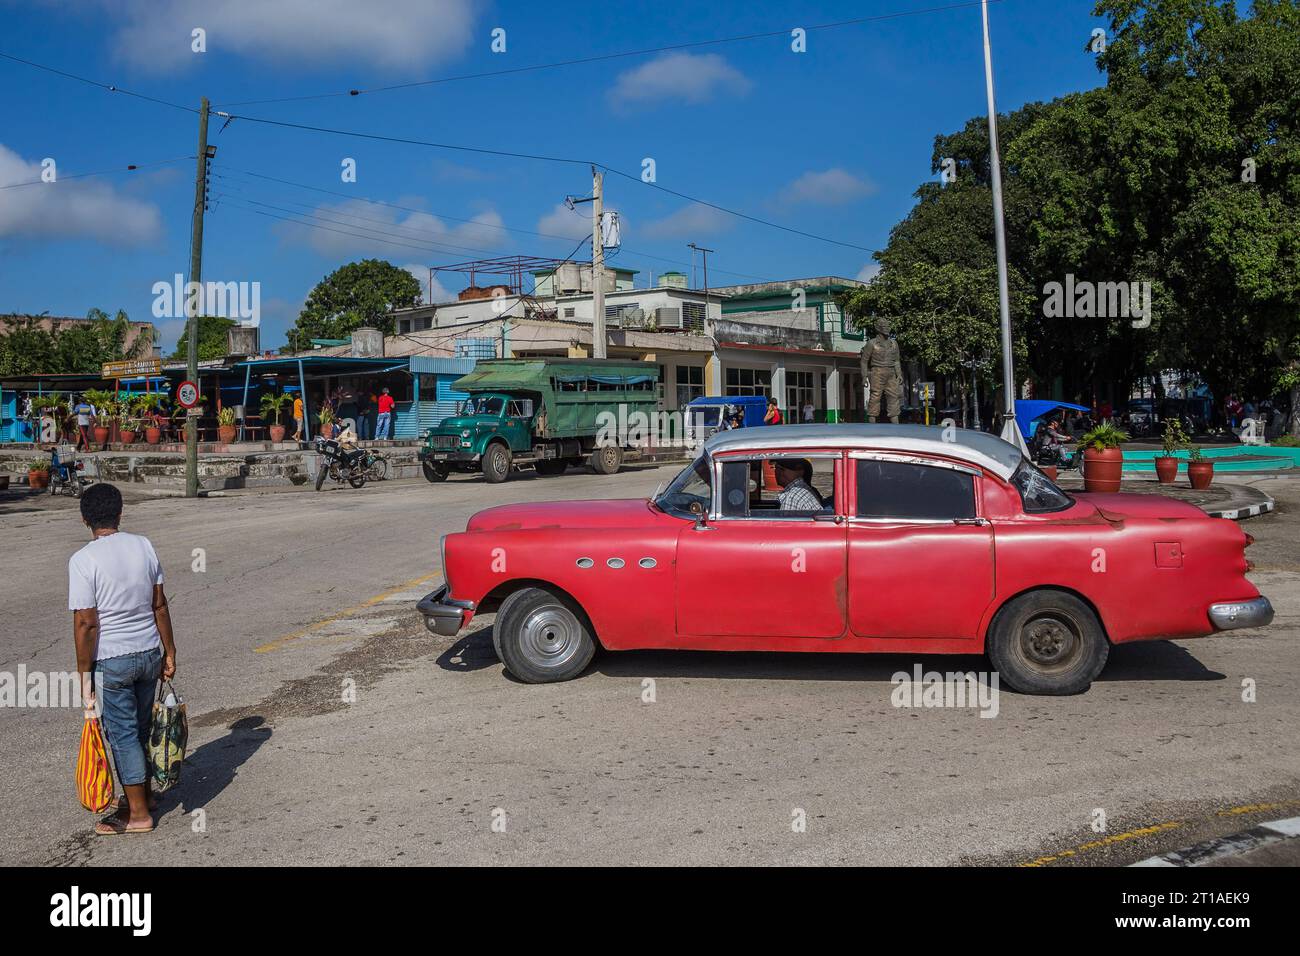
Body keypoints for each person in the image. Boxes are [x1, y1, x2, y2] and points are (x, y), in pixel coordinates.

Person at [69, 483, 177, 836]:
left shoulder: (83, 560)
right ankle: (144, 794)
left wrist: (84, 674)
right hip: (148, 653)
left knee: (124, 735)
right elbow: (158, 604)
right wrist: (170, 651)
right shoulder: (143, 545)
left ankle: (139, 815)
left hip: (112, 660)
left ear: (85, 519)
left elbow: (86, 623)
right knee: (143, 728)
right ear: (120, 514)